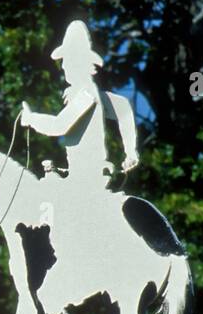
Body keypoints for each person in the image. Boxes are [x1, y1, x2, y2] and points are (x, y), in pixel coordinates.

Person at [20, 20, 139, 192]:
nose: (63, 66)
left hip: (87, 176)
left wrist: (31, 119)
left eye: (67, 60)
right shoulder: (87, 92)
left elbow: (59, 126)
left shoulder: (87, 94)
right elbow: (123, 108)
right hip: (80, 172)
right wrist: (130, 151)